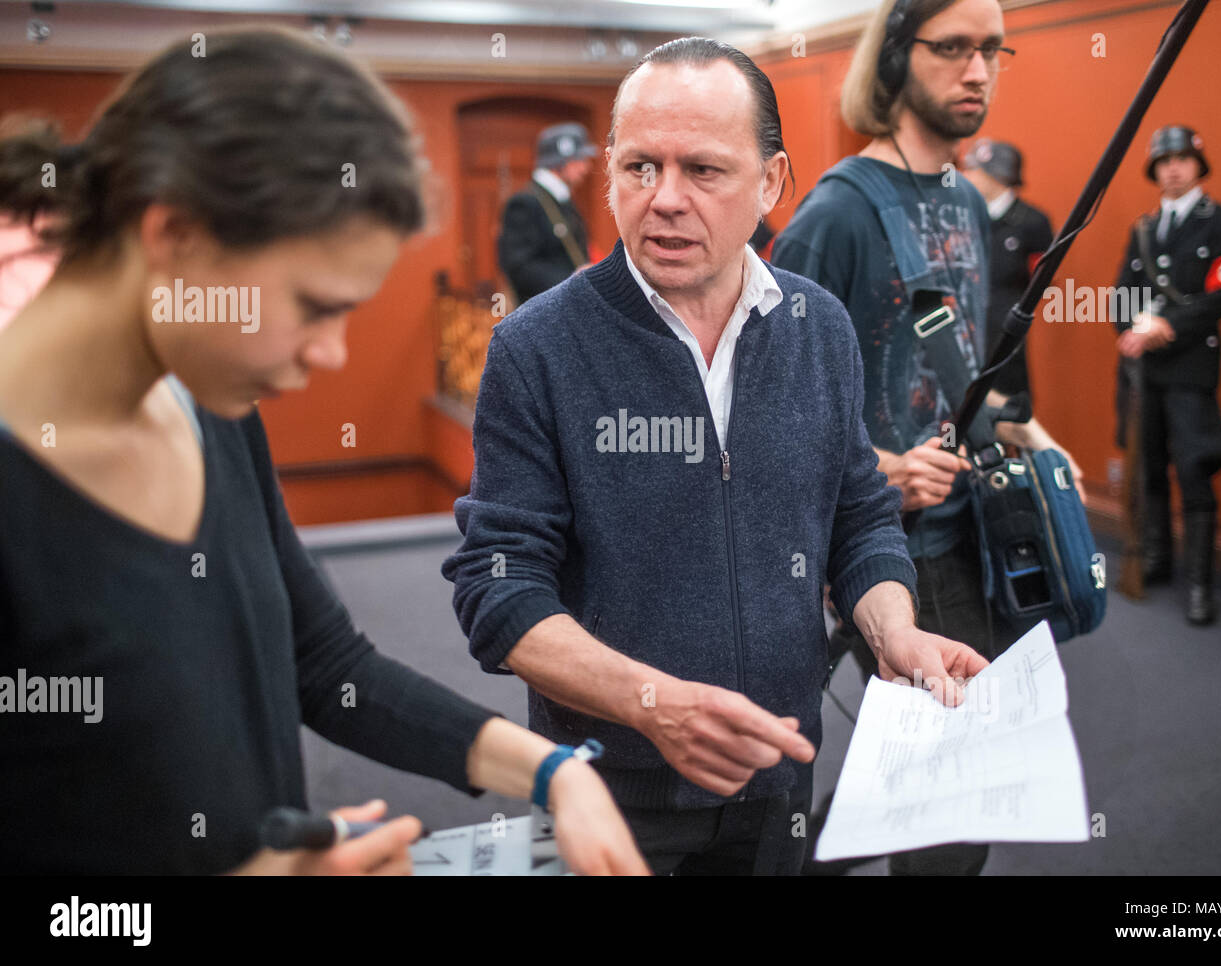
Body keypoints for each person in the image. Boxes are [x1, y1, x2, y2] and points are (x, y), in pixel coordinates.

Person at [0, 27, 648, 876]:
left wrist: (556, 773)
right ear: (175, 236)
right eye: (314, 305)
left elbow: (324, 662)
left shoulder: (208, 404)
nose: (333, 353)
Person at [442, 35, 990, 876]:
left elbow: (859, 516)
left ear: (772, 183)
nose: (664, 199)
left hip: (778, 773)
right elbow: (500, 587)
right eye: (638, 168)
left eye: (703, 170)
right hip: (609, 789)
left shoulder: (819, 326)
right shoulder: (536, 347)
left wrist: (895, 629)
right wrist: (653, 704)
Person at [771, 0, 1083, 875]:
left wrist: (1029, 432)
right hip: (881, 552)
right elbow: (763, 396)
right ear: (898, 58)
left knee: (921, 774)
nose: (978, 70)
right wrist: (878, 468)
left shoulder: (967, 204)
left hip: (968, 534)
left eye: (992, 49)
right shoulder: (837, 217)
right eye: (953, 48)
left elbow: (958, 369)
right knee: (952, 816)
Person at [1113, 125, 1221, 625]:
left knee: (1194, 471)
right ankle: (1156, 560)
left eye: (1182, 160)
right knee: (1147, 469)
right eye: (1163, 161)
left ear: (1198, 165)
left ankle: (1199, 585)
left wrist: (1164, 326)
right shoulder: (1144, 228)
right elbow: (1121, 288)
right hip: (1143, 372)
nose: (1172, 168)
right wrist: (1128, 330)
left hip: (1191, 369)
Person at [962, 138, 1053, 402]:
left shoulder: (1032, 222)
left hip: (1006, 335)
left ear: (997, 175)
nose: (966, 177)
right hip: (965, 331)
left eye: (974, 170)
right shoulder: (963, 216)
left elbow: (1042, 279)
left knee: (1008, 408)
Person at [497, 122, 597, 305]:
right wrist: (571, 280)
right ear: (560, 163)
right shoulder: (525, 203)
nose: (585, 168)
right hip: (543, 314)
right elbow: (518, 267)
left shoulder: (560, 200)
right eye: (580, 160)